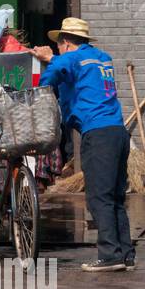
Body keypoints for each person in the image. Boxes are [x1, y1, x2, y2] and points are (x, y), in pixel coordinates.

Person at [33, 17, 135, 273]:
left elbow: (49, 79)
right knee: (115, 197)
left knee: (98, 197)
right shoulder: (102, 58)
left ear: (66, 43)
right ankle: (125, 254)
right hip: (117, 133)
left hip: (97, 134)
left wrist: (46, 73)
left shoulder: (69, 58)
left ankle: (110, 256)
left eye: (58, 46)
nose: (58, 50)